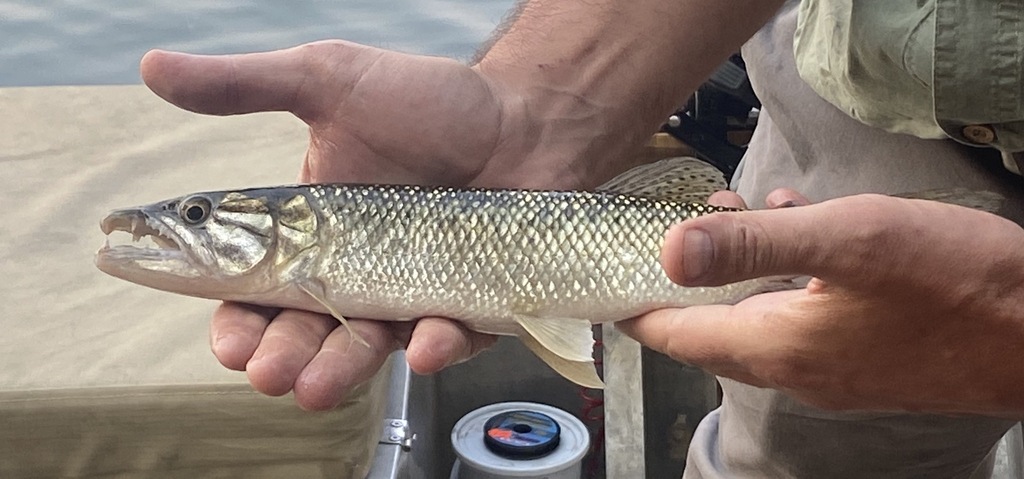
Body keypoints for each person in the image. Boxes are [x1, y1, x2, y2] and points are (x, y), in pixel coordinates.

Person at [139, 0, 1024, 476]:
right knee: (801, 451)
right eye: (199, 215)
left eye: (198, 217)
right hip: (869, 79)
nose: (184, 225)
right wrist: (534, 103)